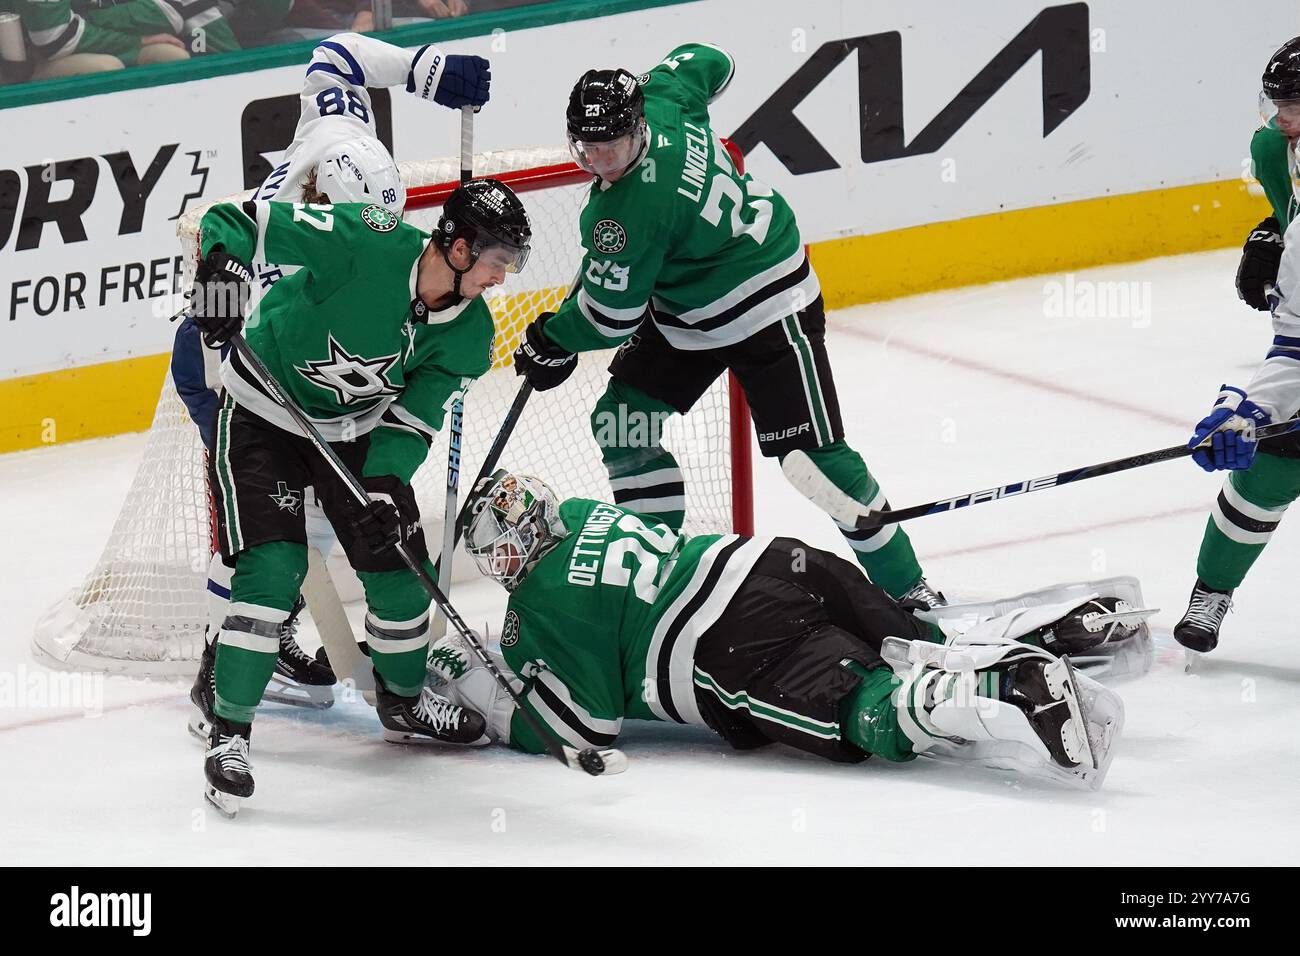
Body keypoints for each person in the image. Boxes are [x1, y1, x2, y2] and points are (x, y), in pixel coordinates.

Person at [510, 44, 942, 608]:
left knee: (812, 461)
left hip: (766, 304)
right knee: (624, 424)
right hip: (690, 310)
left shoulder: (624, 213)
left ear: (636, 127)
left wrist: (551, 337)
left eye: (610, 145)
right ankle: (659, 573)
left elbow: (610, 319)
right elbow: (711, 60)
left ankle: (908, 587)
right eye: (587, 148)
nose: (600, 160)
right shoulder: (664, 96)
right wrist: (660, 93)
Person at [431, 471, 1133, 790]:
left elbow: (580, 728)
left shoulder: (536, 608)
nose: (499, 564)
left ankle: (1011, 680)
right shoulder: (583, 509)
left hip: (733, 643)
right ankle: (1051, 633)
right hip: (777, 560)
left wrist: (476, 683)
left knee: (866, 707)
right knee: (906, 638)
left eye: (497, 549)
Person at [186, 176, 531, 817]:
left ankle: (400, 699)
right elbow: (239, 220)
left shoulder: (468, 334)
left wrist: (385, 486)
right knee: (274, 569)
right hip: (265, 417)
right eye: (495, 261)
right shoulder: (363, 241)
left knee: (399, 566)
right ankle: (229, 731)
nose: (500, 277)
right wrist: (224, 270)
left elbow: (413, 418)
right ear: (458, 247)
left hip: (356, 437)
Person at [176, 33, 490, 732]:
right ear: (328, 197)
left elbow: (337, 52)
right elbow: (243, 270)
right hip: (227, 352)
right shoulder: (305, 253)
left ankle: (272, 640)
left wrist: (423, 69)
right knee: (266, 527)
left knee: (321, 513)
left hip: (318, 373)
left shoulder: (336, 130)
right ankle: (218, 663)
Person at [1175, 37, 1300, 652]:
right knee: (1276, 462)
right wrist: (1252, 411)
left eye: (1295, 105)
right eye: (1278, 104)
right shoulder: (1277, 147)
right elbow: (1298, 341)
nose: (1282, 119)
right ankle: (1214, 589)